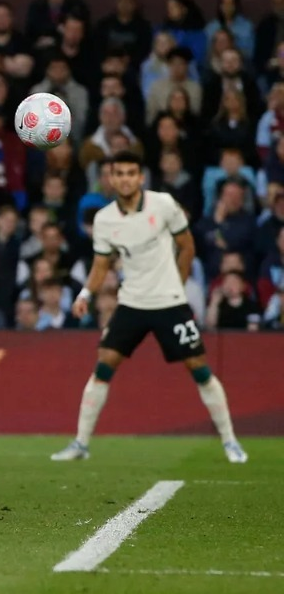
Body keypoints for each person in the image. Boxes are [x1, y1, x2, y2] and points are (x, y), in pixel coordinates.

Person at [51, 151, 248, 464]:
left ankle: (230, 440)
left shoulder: (164, 204)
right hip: (132, 302)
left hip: (169, 302)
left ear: (141, 177)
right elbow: (102, 263)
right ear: (111, 178)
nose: (125, 179)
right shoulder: (104, 219)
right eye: (119, 173)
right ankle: (81, 444)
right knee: (104, 364)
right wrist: (86, 294)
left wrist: (177, 285)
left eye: (131, 173)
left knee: (198, 366)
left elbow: (187, 246)